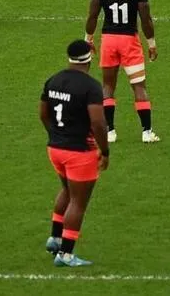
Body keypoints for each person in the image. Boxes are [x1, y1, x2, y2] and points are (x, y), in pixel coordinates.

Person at [40, 39, 110, 268]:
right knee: (79, 202)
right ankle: (66, 254)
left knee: (67, 191)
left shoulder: (54, 80)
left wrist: (57, 134)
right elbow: (98, 122)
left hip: (55, 148)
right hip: (79, 152)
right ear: (89, 59)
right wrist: (105, 150)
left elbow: (43, 113)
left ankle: (55, 237)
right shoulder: (91, 86)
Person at [85, 0, 159, 144]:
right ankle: (146, 132)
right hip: (129, 41)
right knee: (139, 86)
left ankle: (110, 131)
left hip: (109, 39)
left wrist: (88, 39)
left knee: (108, 86)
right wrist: (151, 43)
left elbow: (92, 16)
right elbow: (146, 19)